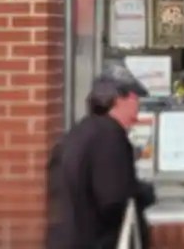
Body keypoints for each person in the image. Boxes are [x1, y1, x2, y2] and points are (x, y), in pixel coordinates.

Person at [47, 66, 157, 249]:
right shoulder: (110, 137)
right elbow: (113, 199)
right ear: (123, 98)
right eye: (136, 98)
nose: (137, 105)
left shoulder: (79, 133)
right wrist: (142, 194)